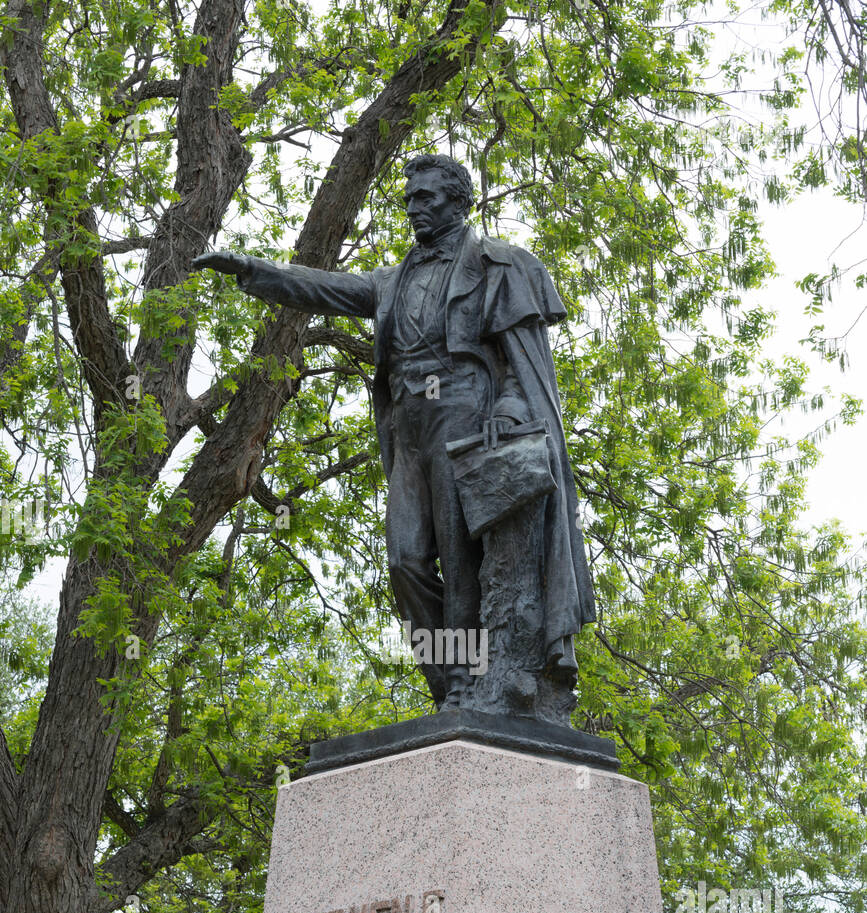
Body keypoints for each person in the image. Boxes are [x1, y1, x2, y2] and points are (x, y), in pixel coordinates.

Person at [193, 154, 595, 710]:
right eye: (409, 199)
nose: (413, 209)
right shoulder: (391, 281)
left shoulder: (498, 265)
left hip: (464, 419)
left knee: (460, 564)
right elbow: (323, 288)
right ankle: (448, 674)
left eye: (425, 198)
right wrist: (248, 269)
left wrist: (505, 408)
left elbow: (519, 364)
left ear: (459, 201)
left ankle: (464, 683)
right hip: (408, 430)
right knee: (405, 560)